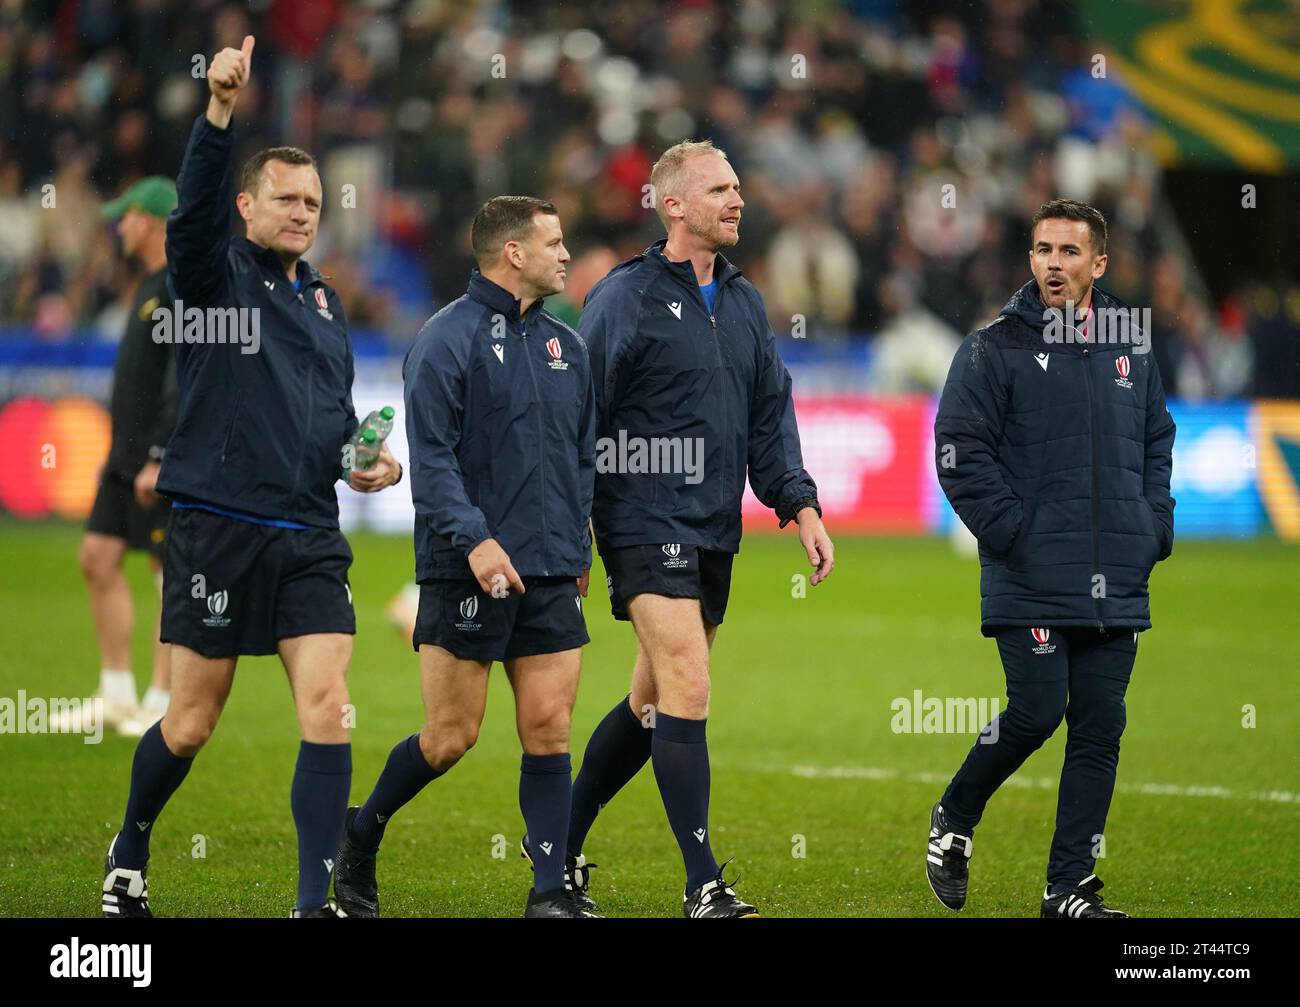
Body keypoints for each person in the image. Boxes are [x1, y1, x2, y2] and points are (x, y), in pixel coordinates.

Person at [100, 35, 402, 919]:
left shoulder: (324, 301)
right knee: (192, 719)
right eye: (286, 198)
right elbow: (188, 216)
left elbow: (331, 415)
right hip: (218, 527)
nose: (305, 212)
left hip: (308, 533)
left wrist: (365, 461)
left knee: (329, 703)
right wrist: (219, 112)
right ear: (247, 204)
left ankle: (315, 902)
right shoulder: (210, 274)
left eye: (313, 200)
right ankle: (129, 852)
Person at [562, 140, 835, 918]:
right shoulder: (625, 296)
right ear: (672, 204)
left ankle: (560, 837)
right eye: (719, 189)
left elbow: (769, 417)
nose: (737, 199)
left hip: (714, 526)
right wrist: (577, 529)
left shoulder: (745, 301)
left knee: (652, 704)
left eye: (738, 186)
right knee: (688, 683)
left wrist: (802, 506)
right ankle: (703, 882)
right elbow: (582, 417)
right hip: (641, 518)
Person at [332, 196, 599, 918]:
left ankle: (549, 891)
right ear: (513, 253)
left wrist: (581, 541)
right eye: (554, 241)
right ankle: (360, 833)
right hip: (464, 566)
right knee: (451, 736)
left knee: (549, 726)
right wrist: (477, 541)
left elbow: (580, 459)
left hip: (550, 568)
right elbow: (435, 461)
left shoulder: (566, 347)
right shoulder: (444, 339)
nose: (566, 254)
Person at [928, 198, 1175, 919]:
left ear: (1098, 263)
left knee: (1100, 727)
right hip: (1033, 570)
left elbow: (1157, 439)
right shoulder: (993, 347)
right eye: (1042, 250)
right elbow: (958, 451)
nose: (1053, 264)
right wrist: (1013, 530)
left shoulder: (1133, 344)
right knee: (1037, 712)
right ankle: (955, 815)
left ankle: (1068, 887)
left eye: (1069, 251)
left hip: (1119, 573)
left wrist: (1153, 523)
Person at [71, 177, 178, 737]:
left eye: (127, 215)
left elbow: (182, 381)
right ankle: (115, 693)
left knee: (168, 577)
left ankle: (162, 701)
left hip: (158, 460)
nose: (119, 225)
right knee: (97, 556)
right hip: (124, 456)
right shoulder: (149, 284)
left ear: (151, 220)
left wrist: (161, 455)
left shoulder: (182, 285)